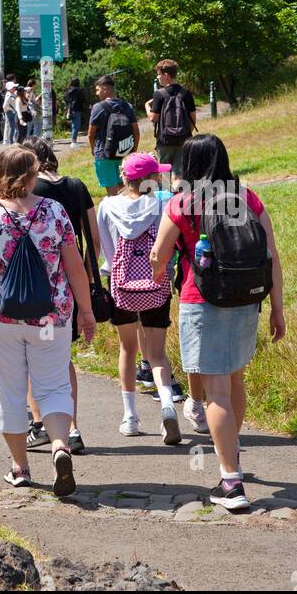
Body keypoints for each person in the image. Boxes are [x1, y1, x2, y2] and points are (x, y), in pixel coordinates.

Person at [151, 135, 285, 513]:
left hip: (202, 299)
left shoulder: (183, 202)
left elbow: (159, 255)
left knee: (216, 392)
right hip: (246, 300)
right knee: (234, 379)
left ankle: (231, 481)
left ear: (189, 165)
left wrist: (158, 270)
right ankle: (233, 454)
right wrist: (277, 308)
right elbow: (271, 256)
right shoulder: (248, 197)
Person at [0, 146, 96, 493]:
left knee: (9, 389)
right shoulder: (54, 212)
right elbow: (74, 266)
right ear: (33, 174)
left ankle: (20, 468)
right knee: (53, 385)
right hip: (51, 318)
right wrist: (86, 311)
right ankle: (59, 446)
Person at [96, 152, 182, 445]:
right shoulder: (163, 202)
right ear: (152, 178)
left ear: (124, 177)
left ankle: (130, 417)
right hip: (156, 283)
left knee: (127, 349)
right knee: (157, 354)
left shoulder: (107, 206)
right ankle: (168, 405)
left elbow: (106, 248)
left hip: (121, 287)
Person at [22, 139, 99, 455]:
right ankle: (72, 427)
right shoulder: (77, 186)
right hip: (70, 280)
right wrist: (88, 279)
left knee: (30, 355)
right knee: (62, 356)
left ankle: (39, 423)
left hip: (34, 284)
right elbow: (93, 237)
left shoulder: (31, 189)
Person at [87, 74, 140, 195]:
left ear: (104, 88)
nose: (97, 93)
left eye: (97, 90)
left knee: (112, 191)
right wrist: (133, 149)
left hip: (104, 154)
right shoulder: (127, 106)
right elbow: (136, 131)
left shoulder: (97, 107)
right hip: (125, 151)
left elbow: (91, 133)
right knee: (126, 187)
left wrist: (93, 148)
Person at [145, 59, 197, 178]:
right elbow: (193, 119)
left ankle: (168, 195)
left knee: (165, 175)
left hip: (165, 141)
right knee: (180, 173)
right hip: (184, 140)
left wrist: (147, 106)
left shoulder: (159, 94)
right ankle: (181, 195)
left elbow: (153, 118)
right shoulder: (186, 93)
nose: (158, 78)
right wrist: (183, 133)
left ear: (166, 75)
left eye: (159, 74)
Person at [64, 78, 86, 147]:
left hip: (70, 109)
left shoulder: (67, 90)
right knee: (77, 125)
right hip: (77, 109)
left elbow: (65, 99)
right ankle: (73, 142)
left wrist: (68, 108)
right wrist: (88, 104)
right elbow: (83, 99)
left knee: (74, 125)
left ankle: (73, 140)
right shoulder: (78, 90)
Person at [2, 77, 19, 145]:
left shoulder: (13, 93)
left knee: (14, 127)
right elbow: (4, 106)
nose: (15, 88)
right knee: (12, 127)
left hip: (13, 112)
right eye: (13, 87)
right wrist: (8, 110)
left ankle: (12, 141)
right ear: (10, 88)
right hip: (10, 112)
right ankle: (11, 141)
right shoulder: (9, 96)